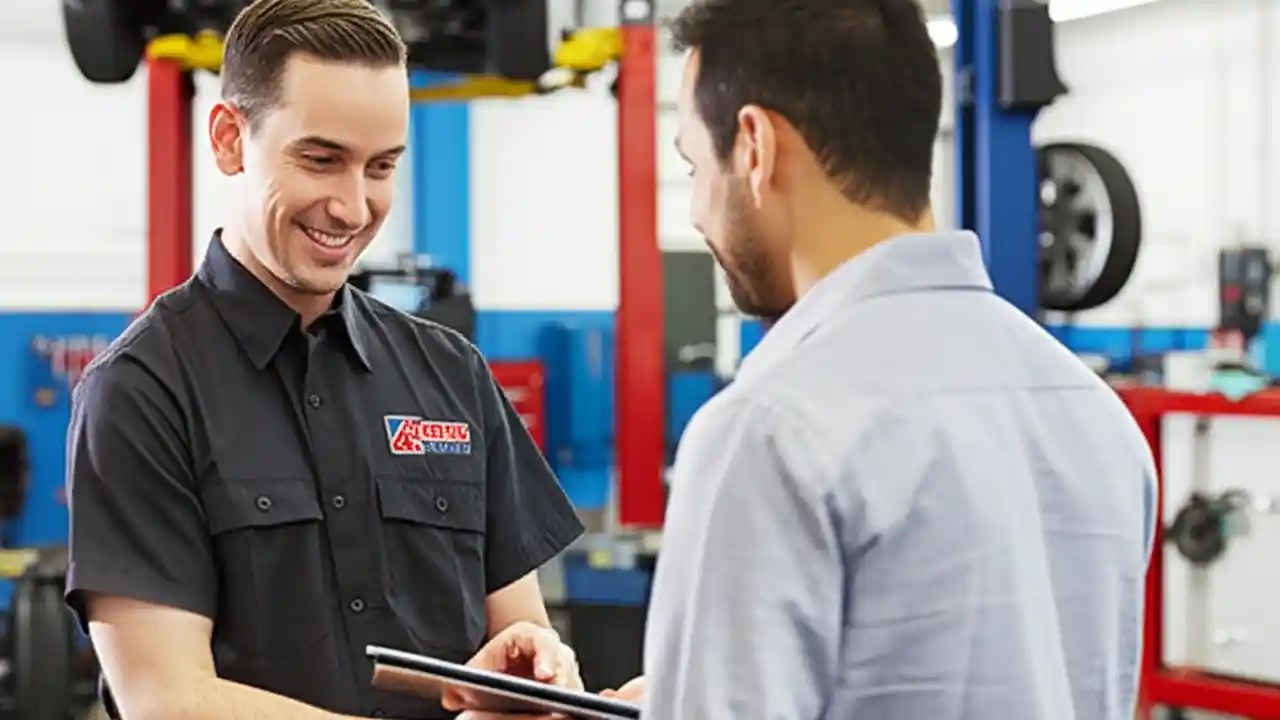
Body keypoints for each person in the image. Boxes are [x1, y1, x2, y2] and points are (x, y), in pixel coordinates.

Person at [472, 1, 1157, 719]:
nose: (699, 212)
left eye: (695, 166)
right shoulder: (1092, 413)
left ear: (755, 147)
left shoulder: (769, 431)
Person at [63, 1, 586, 718]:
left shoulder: (453, 376)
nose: (352, 206)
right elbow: (167, 700)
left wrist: (535, 667)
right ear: (229, 140)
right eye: (321, 160)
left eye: (380, 167)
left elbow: (518, 632)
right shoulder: (143, 391)